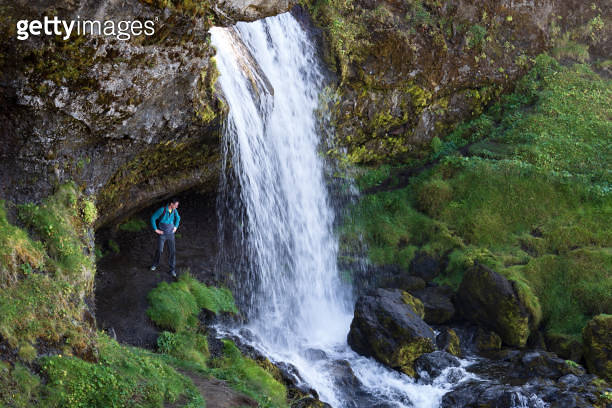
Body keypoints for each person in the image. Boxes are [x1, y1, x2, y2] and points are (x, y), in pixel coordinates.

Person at [150, 197, 181, 278]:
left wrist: (175, 227)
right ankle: (155, 264)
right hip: (162, 234)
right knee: (160, 250)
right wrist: (156, 229)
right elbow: (153, 218)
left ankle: (172, 269)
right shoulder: (162, 210)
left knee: (172, 251)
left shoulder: (174, 210)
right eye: (176, 205)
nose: (177, 207)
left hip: (171, 234)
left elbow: (178, 218)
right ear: (171, 204)